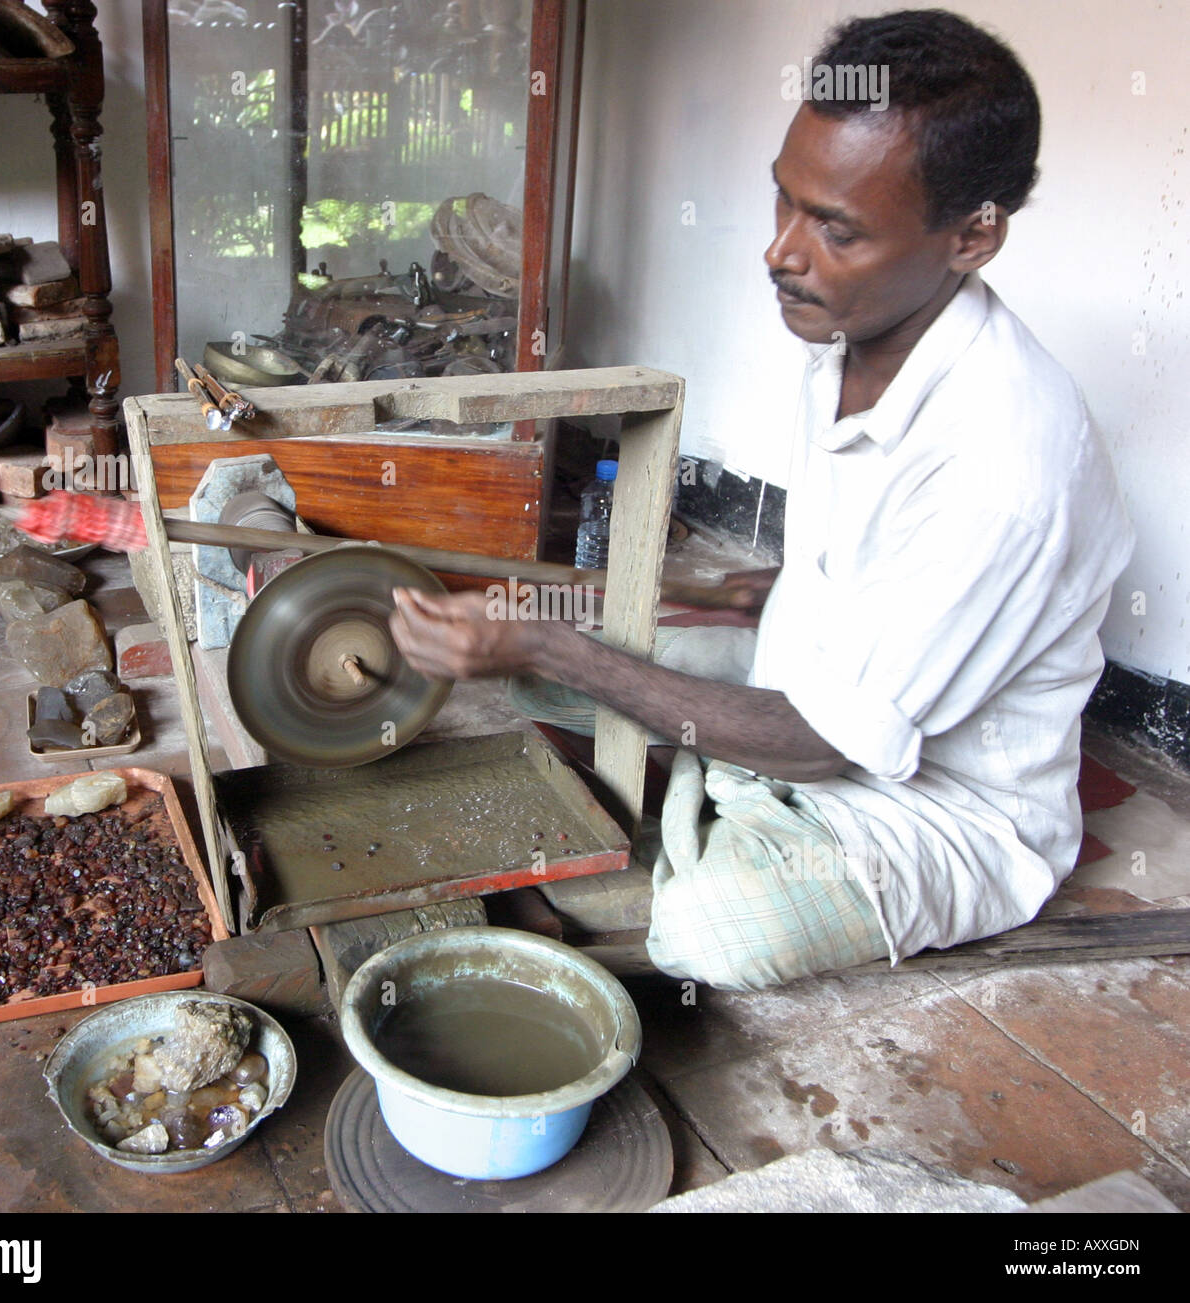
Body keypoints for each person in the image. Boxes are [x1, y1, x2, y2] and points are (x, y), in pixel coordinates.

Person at [388, 9, 1135, 990]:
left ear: (972, 235)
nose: (782, 252)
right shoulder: (852, 338)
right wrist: (771, 585)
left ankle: (704, 802)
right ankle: (705, 778)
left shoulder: (1005, 458)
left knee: (712, 929)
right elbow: (875, 556)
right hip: (812, 681)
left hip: (930, 809)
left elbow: (825, 743)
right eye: (783, 202)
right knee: (555, 664)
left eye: (835, 227)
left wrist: (544, 639)